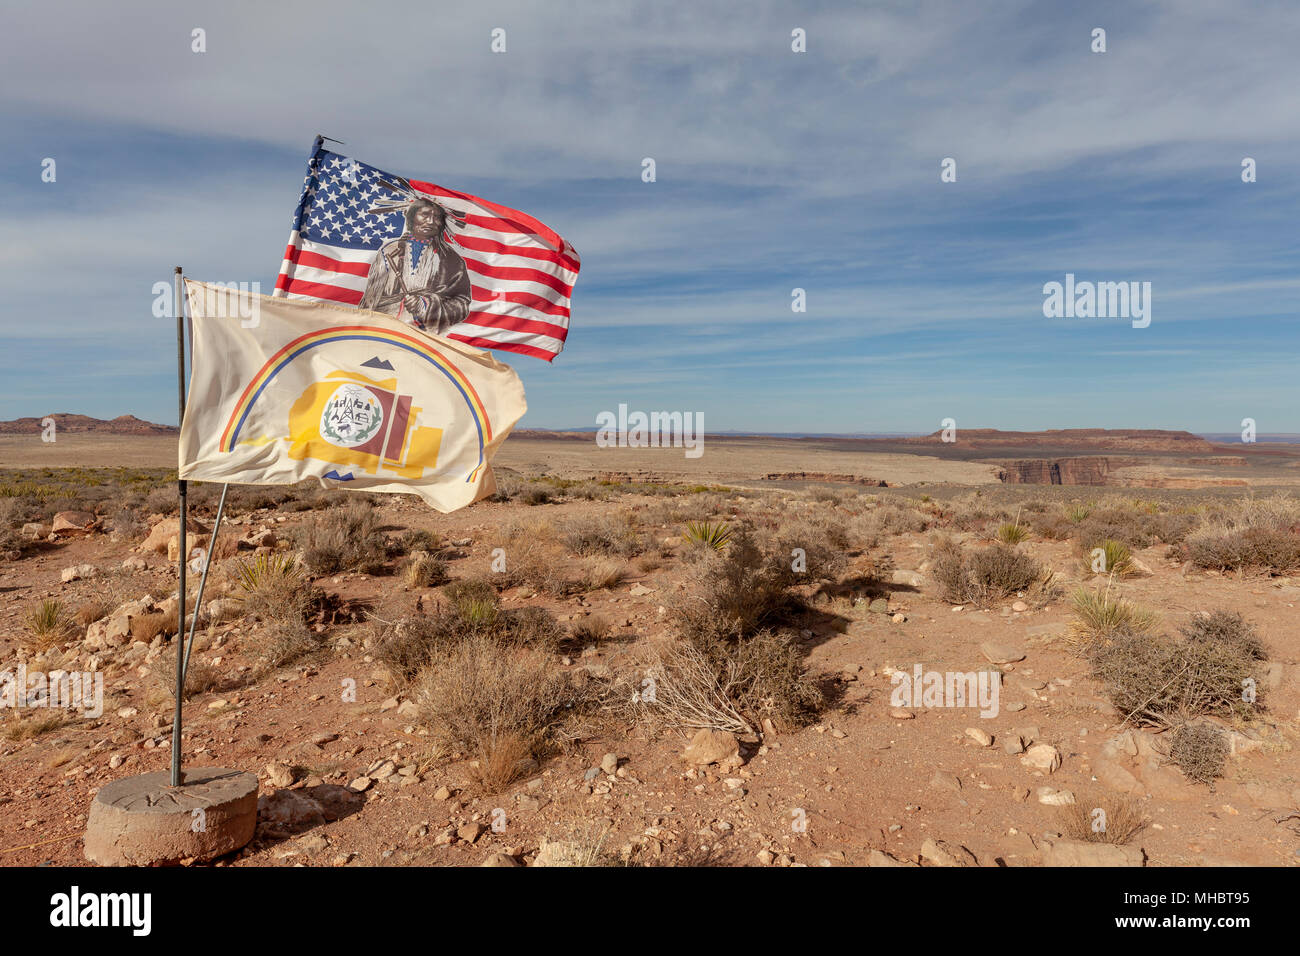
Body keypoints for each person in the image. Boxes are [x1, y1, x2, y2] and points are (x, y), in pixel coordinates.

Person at [359, 199, 472, 334]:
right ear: (412, 217)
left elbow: (461, 304)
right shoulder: (389, 251)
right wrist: (361, 327)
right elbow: (370, 300)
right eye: (424, 215)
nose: (430, 221)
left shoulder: (451, 260)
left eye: (436, 217)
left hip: (423, 336)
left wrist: (426, 305)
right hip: (382, 330)